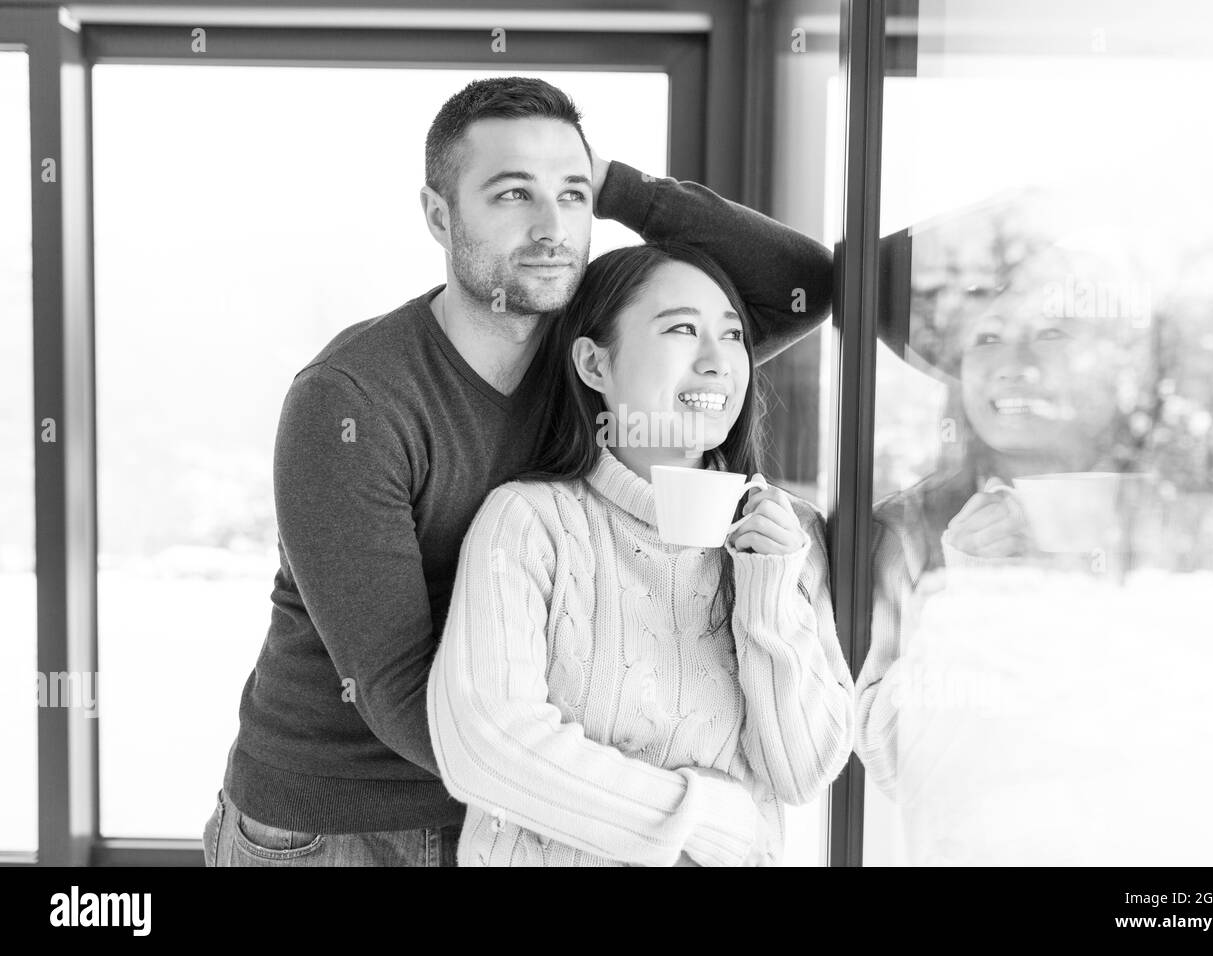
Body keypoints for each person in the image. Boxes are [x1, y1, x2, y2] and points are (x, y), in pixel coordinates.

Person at [203, 76, 834, 866]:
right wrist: (653, 807)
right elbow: (398, 689)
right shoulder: (354, 402)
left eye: (571, 196)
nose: (552, 227)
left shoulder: (604, 363)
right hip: (345, 821)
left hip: (526, 816)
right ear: (439, 214)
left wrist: (617, 186)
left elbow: (802, 286)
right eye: (512, 194)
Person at [427, 241, 854, 866]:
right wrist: (707, 820)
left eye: (732, 335)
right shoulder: (532, 523)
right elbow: (486, 746)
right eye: (682, 328)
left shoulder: (788, 536)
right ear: (595, 364)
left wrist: (769, 595)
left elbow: (801, 772)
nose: (717, 361)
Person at [853, 243, 1144, 795]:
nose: (1015, 366)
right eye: (986, 338)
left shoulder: (1146, 512)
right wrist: (967, 595)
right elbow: (890, 757)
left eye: (1051, 333)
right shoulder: (908, 529)